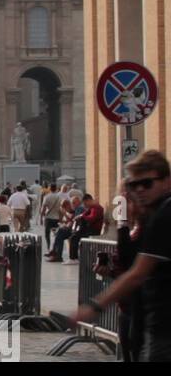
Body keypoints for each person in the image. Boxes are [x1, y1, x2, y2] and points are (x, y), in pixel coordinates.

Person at [72, 151, 171, 361]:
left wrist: (95, 306)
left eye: (147, 183)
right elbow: (129, 260)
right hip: (148, 316)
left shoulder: (165, 214)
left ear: (166, 181)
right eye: (134, 185)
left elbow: (137, 272)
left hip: (163, 326)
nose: (140, 190)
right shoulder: (152, 215)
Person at [94, 184, 146, 362]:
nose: (121, 206)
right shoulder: (135, 230)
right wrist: (109, 271)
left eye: (125, 201)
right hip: (126, 305)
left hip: (140, 306)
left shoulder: (146, 230)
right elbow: (128, 266)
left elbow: (127, 256)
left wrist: (122, 221)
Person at [47, 196, 82, 262]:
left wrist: (65, 214)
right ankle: (55, 253)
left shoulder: (79, 209)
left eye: (73, 203)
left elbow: (72, 221)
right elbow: (71, 221)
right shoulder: (76, 209)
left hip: (76, 230)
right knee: (58, 233)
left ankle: (56, 254)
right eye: (72, 203)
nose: (72, 205)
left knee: (60, 233)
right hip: (73, 229)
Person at [70, 194, 105, 261]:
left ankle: (73, 258)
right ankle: (73, 257)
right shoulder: (92, 207)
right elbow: (85, 214)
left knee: (74, 237)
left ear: (88, 200)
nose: (85, 206)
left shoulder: (96, 208)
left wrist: (82, 217)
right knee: (74, 236)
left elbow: (91, 218)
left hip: (94, 231)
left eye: (85, 203)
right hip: (90, 230)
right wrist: (80, 216)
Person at [40, 183, 63, 248]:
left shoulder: (46, 197)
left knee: (47, 234)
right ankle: (54, 247)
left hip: (48, 218)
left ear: (50, 188)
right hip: (57, 218)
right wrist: (61, 219)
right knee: (56, 234)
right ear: (56, 189)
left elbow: (43, 208)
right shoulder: (59, 197)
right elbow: (61, 209)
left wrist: (41, 218)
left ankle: (48, 246)